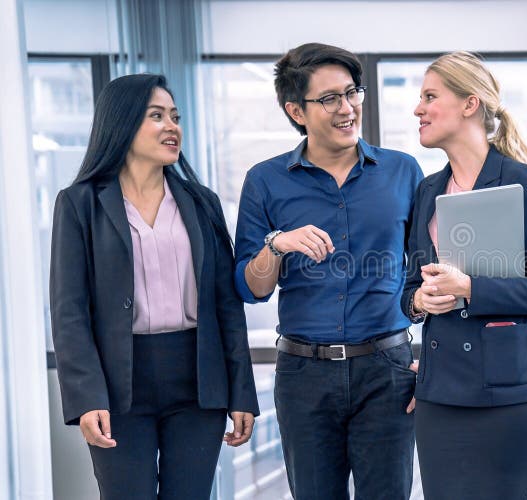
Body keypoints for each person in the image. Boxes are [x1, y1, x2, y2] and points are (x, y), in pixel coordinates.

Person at [50, 74, 260, 499]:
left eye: (175, 117)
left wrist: (242, 393)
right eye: (157, 116)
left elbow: (226, 305)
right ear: (123, 124)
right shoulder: (79, 204)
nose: (172, 126)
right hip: (118, 386)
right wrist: (86, 397)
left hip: (197, 382)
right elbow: (68, 311)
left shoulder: (201, 202)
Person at [234, 43, 424, 500]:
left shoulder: (403, 171)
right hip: (304, 375)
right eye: (329, 99)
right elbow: (250, 287)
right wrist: (276, 245)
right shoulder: (265, 180)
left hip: (389, 370)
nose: (347, 108)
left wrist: (433, 363)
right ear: (296, 110)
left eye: (351, 92)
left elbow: (428, 273)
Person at [402, 51, 527, 499]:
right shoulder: (427, 190)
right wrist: (420, 302)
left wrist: (470, 289)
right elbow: (407, 287)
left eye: (430, 96)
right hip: (438, 397)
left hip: (508, 396)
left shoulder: (519, 182)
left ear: (469, 104)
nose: (418, 108)